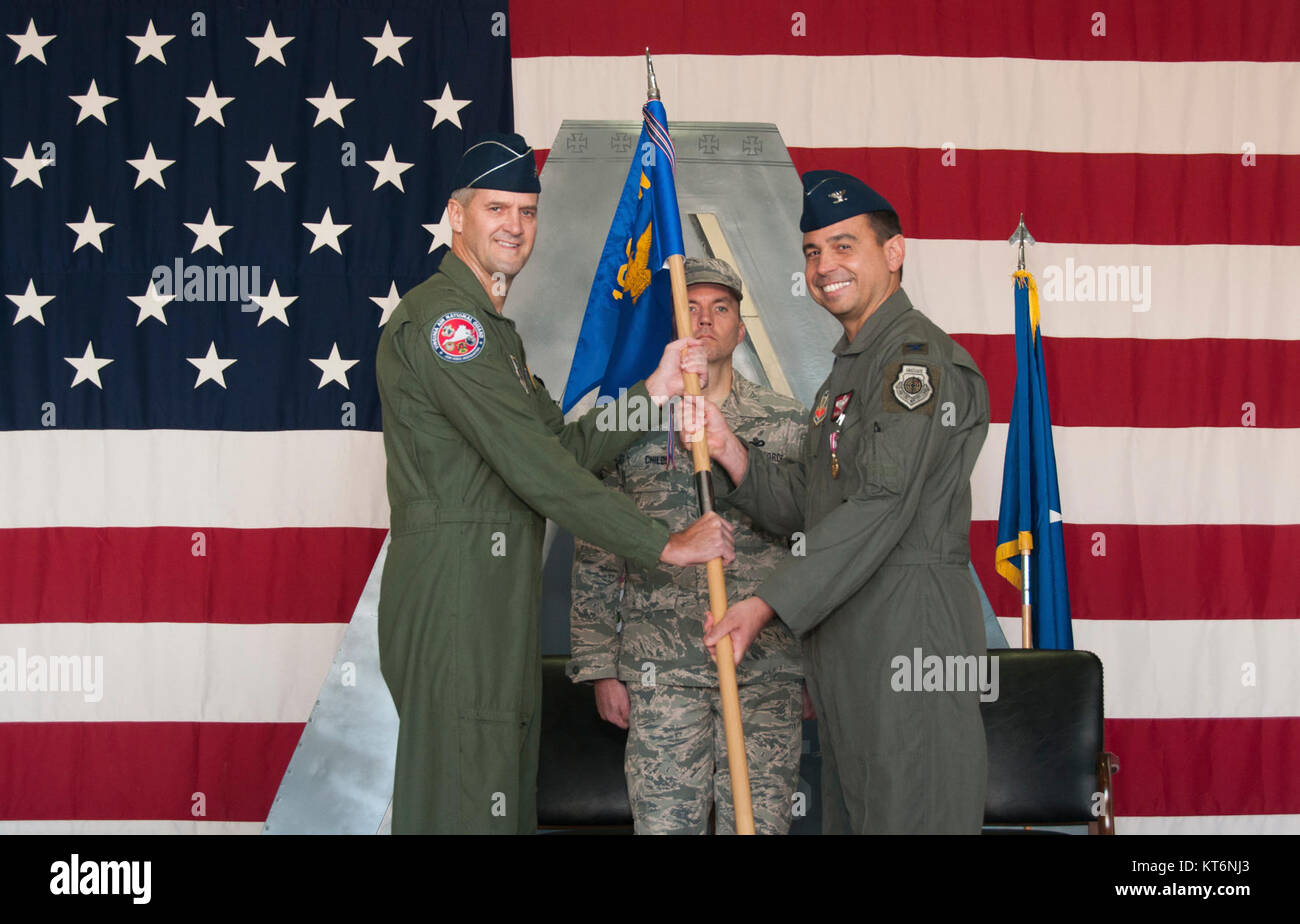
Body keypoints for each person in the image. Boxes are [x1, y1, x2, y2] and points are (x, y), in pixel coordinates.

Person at [374, 133, 735, 834]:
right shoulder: (450, 327)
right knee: (462, 803)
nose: (515, 225)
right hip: (457, 594)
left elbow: (561, 446)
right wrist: (665, 545)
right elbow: (539, 470)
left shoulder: (492, 331)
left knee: (497, 796)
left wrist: (651, 391)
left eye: (528, 211)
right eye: (496, 208)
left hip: (491, 594)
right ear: (456, 215)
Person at [692, 170, 991, 834]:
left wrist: (765, 603)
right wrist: (731, 450)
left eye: (844, 246)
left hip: (911, 632)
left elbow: (881, 502)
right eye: (812, 250)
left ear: (894, 252)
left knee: (914, 813)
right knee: (861, 815)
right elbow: (817, 499)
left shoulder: (915, 363)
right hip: (851, 633)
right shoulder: (850, 369)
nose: (824, 266)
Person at [568, 257, 807, 835]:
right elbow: (598, 547)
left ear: (740, 327)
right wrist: (601, 666)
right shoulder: (631, 420)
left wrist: (814, 667)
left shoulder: (789, 425)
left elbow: (815, 544)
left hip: (765, 669)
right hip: (661, 672)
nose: (705, 320)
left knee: (761, 826)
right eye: (690, 307)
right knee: (664, 827)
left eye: (720, 308)